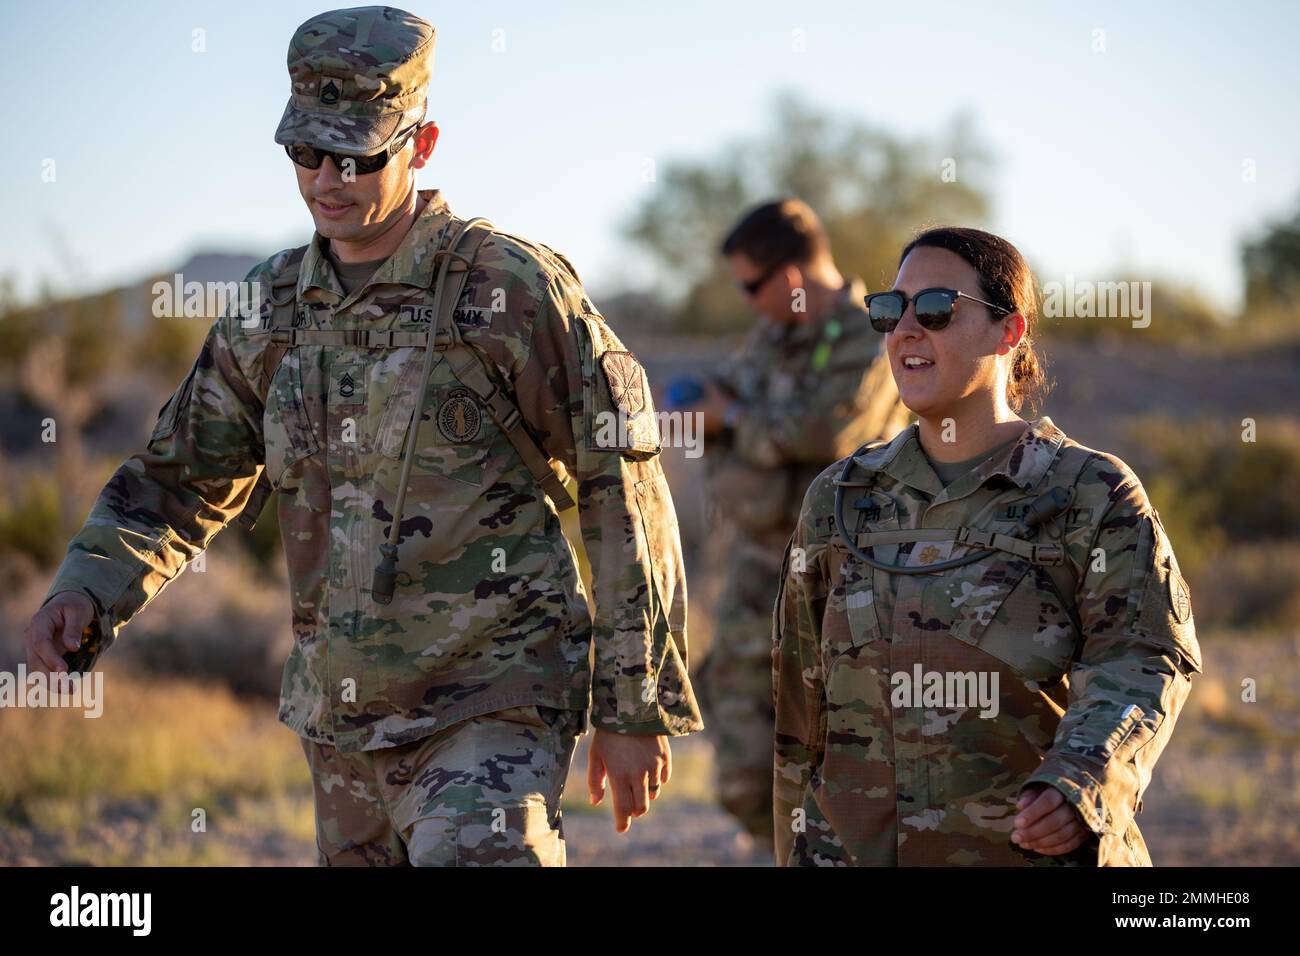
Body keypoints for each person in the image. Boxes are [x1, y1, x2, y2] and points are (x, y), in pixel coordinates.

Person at [23, 5, 701, 867]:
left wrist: (633, 702)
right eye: (305, 153)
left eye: (356, 154)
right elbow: (180, 478)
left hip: (491, 702)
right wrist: (87, 587)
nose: (326, 179)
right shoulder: (270, 310)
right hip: (340, 720)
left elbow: (624, 485)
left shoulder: (508, 289)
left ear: (421, 145)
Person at [772, 226, 1202, 866]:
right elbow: (800, 716)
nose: (906, 330)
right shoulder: (840, 499)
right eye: (890, 311)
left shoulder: (1090, 492)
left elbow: (1142, 659)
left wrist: (1081, 784)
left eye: (937, 309)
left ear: (1008, 333)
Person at [684, 199, 908, 848]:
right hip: (759, 569)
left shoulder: (871, 333)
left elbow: (831, 430)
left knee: (838, 757)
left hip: (846, 578)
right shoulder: (768, 339)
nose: (746, 301)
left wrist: (733, 424)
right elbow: (723, 406)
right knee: (742, 767)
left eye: (750, 285)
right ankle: (779, 851)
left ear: (790, 276)